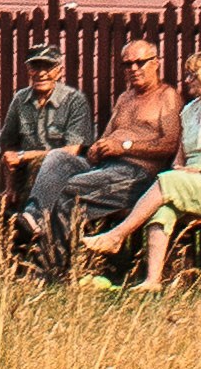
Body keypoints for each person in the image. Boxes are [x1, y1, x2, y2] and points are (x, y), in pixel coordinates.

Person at [78, 49, 201, 286]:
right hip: (191, 181)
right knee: (163, 210)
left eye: (193, 75)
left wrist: (199, 173)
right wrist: (184, 171)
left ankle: (116, 236)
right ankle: (152, 281)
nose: (187, 81)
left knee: (170, 181)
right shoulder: (190, 110)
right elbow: (179, 160)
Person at [28, 38, 185, 275]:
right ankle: (33, 216)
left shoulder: (167, 96)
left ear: (156, 63)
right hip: (106, 166)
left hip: (136, 172)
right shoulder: (125, 97)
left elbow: (169, 145)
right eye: (127, 64)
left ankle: (49, 270)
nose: (133, 69)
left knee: (70, 190)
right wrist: (97, 147)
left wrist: (125, 147)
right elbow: (108, 135)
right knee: (58, 158)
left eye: (140, 63)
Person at [0, 45, 90, 234]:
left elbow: (72, 151)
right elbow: (9, 143)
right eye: (35, 67)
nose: (41, 73)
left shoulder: (75, 101)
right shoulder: (20, 99)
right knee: (22, 171)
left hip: (67, 171)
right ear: (28, 70)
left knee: (40, 165)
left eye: (48, 67)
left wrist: (24, 156)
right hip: (25, 171)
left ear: (59, 71)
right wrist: (9, 185)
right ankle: (21, 236)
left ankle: (33, 234)